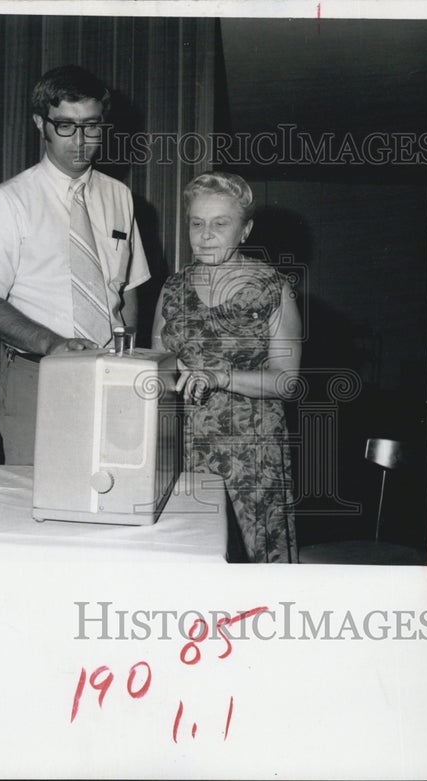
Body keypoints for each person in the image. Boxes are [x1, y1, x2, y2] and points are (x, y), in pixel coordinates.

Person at [0, 65, 150, 464]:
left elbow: (127, 289)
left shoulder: (120, 196)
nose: (80, 140)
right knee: (38, 488)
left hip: (112, 376)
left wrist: (125, 356)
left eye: (91, 126)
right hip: (39, 375)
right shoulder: (8, 201)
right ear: (40, 123)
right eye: (65, 126)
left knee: (114, 484)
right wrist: (53, 345)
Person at [152, 171, 301, 562]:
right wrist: (172, 369)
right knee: (186, 560)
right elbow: (155, 368)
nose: (205, 235)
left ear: (245, 230)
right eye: (196, 224)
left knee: (255, 563)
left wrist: (220, 377)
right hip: (180, 449)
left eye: (220, 224)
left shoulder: (272, 287)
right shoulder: (172, 288)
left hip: (251, 453)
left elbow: (287, 381)